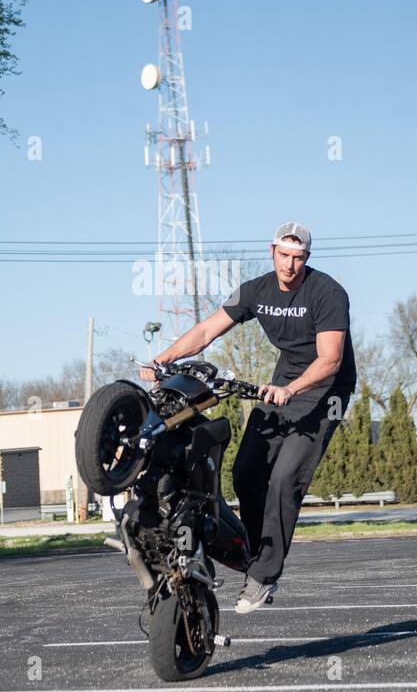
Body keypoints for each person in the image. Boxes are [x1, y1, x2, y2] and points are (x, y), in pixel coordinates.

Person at [139, 221, 356, 614]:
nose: (290, 265)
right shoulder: (256, 290)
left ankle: (265, 575)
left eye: (299, 257)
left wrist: (292, 390)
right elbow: (208, 329)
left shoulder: (328, 293)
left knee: (286, 476)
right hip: (284, 382)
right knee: (246, 472)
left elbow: (330, 359)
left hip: (326, 389)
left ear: (307, 258)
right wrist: (164, 359)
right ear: (271, 250)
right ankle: (258, 553)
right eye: (284, 255)